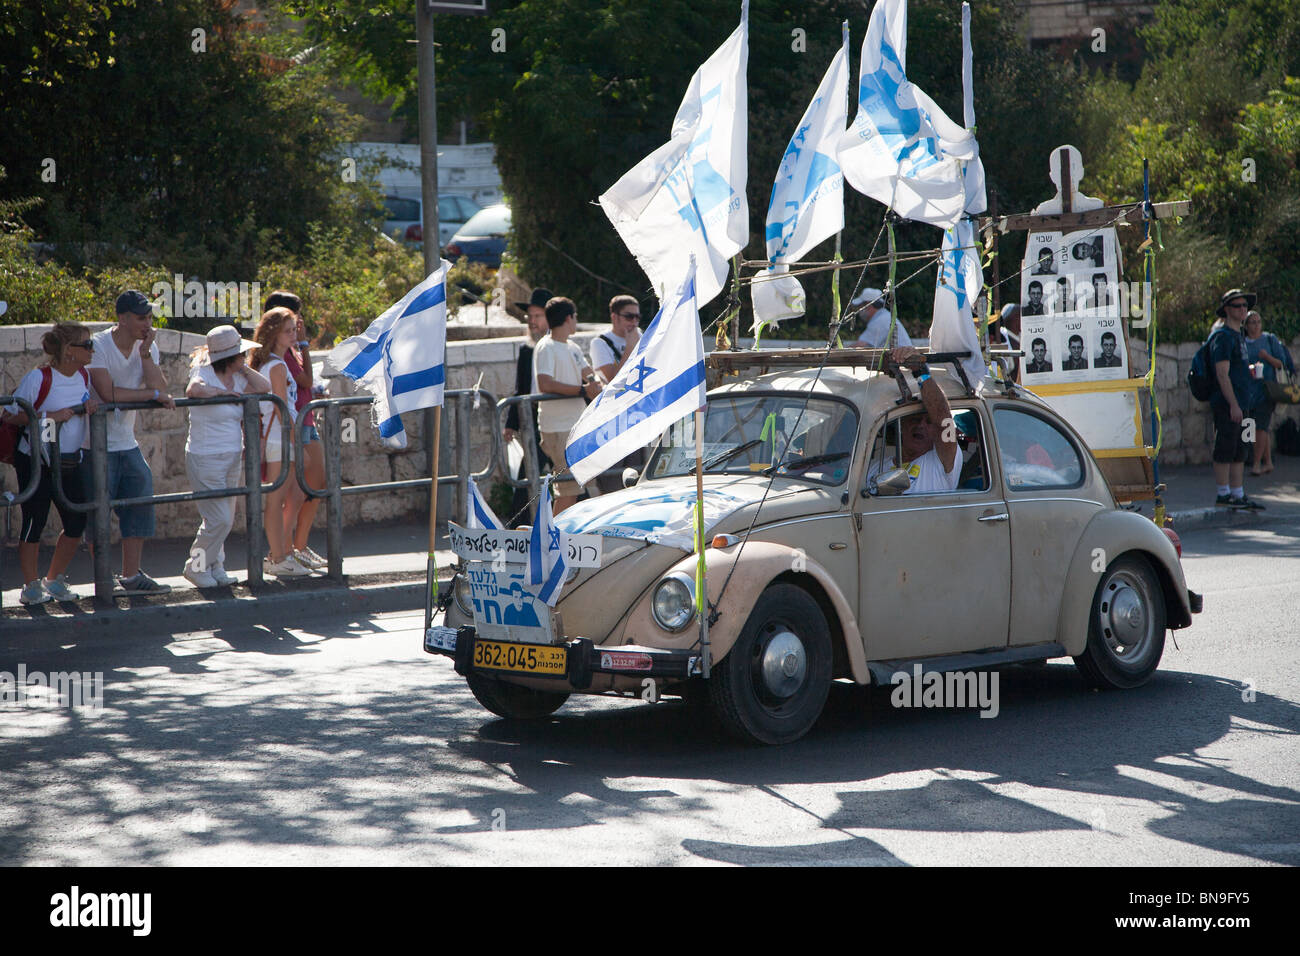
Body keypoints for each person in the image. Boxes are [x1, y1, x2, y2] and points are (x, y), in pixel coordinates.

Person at [1, 324, 99, 604]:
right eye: (87, 345)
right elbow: (10, 415)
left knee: (77, 519)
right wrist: (48, 416)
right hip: (36, 458)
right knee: (35, 520)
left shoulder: (83, 374)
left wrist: (88, 405)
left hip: (69, 459)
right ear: (69, 351)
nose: (92, 350)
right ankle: (30, 585)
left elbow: (79, 402)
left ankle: (53, 579)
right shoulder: (39, 378)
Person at [86, 290, 174, 595]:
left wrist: (146, 354)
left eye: (149, 317)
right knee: (95, 514)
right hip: (91, 444)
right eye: (140, 317)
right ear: (122, 319)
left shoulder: (147, 346)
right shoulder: (97, 345)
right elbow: (108, 393)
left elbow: (160, 386)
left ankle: (131, 576)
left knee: (140, 505)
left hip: (126, 441)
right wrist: (150, 396)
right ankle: (102, 578)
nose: (147, 323)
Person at [181, 326, 270, 587]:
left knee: (221, 519)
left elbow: (265, 387)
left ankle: (214, 564)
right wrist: (222, 394)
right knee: (219, 519)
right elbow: (193, 390)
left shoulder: (239, 376)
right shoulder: (204, 371)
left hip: (232, 454)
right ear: (228, 357)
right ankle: (195, 566)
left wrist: (242, 369)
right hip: (205, 455)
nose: (244, 356)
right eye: (240, 354)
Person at [263, 290, 326, 571]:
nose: (299, 321)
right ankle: (284, 551)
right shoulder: (280, 355)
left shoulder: (287, 352)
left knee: (309, 488)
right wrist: (303, 344)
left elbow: (305, 384)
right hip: (293, 426)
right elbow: (306, 380)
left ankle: (292, 548)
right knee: (296, 491)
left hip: (303, 420)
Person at [249, 307, 314, 576]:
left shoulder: (275, 363)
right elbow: (280, 406)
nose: (292, 335)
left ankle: (282, 552)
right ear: (274, 333)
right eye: (287, 331)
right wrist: (295, 441)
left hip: (282, 435)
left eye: (293, 330)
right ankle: (277, 557)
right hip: (280, 436)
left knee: (295, 494)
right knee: (276, 500)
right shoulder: (276, 365)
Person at [532, 296, 601, 514]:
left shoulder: (572, 347)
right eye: (575, 317)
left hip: (575, 427)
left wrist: (600, 385)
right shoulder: (546, 346)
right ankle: (550, 540)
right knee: (568, 489)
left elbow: (590, 376)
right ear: (569, 318)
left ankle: (561, 537)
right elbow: (545, 383)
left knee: (585, 487)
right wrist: (583, 390)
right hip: (557, 428)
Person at [864, 346, 960, 495]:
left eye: (928, 422)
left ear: (935, 430)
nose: (920, 425)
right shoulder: (875, 467)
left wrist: (920, 371)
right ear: (901, 425)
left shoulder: (942, 461)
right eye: (914, 419)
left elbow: (943, 419)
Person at [503, 287, 553, 527]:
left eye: (538, 316)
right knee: (529, 471)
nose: (532, 322)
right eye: (530, 317)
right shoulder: (526, 349)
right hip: (533, 417)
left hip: (555, 416)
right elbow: (520, 388)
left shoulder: (558, 346)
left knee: (565, 471)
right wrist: (511, 424)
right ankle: (514, 526)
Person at [1208, 289, 1262, 509]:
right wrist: (1233, 404)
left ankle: (1238, 493)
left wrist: (1248, 371)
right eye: (1238, 306)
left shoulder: (1238, 336)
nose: (1243, 310)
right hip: (1229, 404)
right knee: (1226, 446)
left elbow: (1234, 369)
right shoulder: (1222, 338)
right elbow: (1221, 373)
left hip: (1244, 402)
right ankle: (1223, 493)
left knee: (1242, 447)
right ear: (1228, 310)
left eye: (1244, 306)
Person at [590, 294, 645, 493]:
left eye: (637, 317)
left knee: (638, 477)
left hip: (636, 417)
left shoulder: (641, 336)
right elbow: (615, 380)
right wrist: (631, 346)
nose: (634, 322)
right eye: (629, 317)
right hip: (611, 422)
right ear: (615, 317)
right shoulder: (600, 343)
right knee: (612, 482)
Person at [1243, 309, 1295, 475]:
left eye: (1258, 322)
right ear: (1246, 325)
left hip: (1267, 390)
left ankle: (1256, 464)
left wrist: (1266, 357)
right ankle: (1268, 462)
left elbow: (1280, 364)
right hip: (1249, 391)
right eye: (1252, 322)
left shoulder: (1269, 340)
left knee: (1261, 427)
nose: (1256, 326)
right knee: (1252, 428)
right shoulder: (1243, 343)